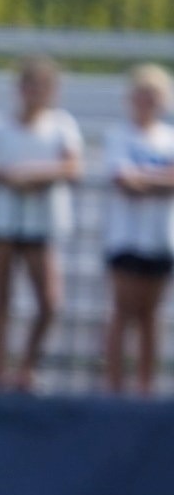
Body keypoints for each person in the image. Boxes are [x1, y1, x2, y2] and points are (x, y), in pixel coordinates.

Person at [0, 57, 83, 392]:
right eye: (31, 86)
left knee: (49, 302)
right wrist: (6, 177)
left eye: (44, 87)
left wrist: (34, 175)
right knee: (0, 298)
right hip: (3, 222)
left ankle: (27, 367)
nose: (36, 93)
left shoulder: (62, 125)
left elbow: (73, 168)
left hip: (41, 225)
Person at [100, 63, 174, 396]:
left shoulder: (169, 138)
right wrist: (159, 180)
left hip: (161, 237)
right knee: (123, 311)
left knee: (150, 315)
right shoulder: (119, 135)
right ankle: (115, 385)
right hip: (126, 237)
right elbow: (124, 180)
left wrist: (143, 179)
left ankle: (146, 386)